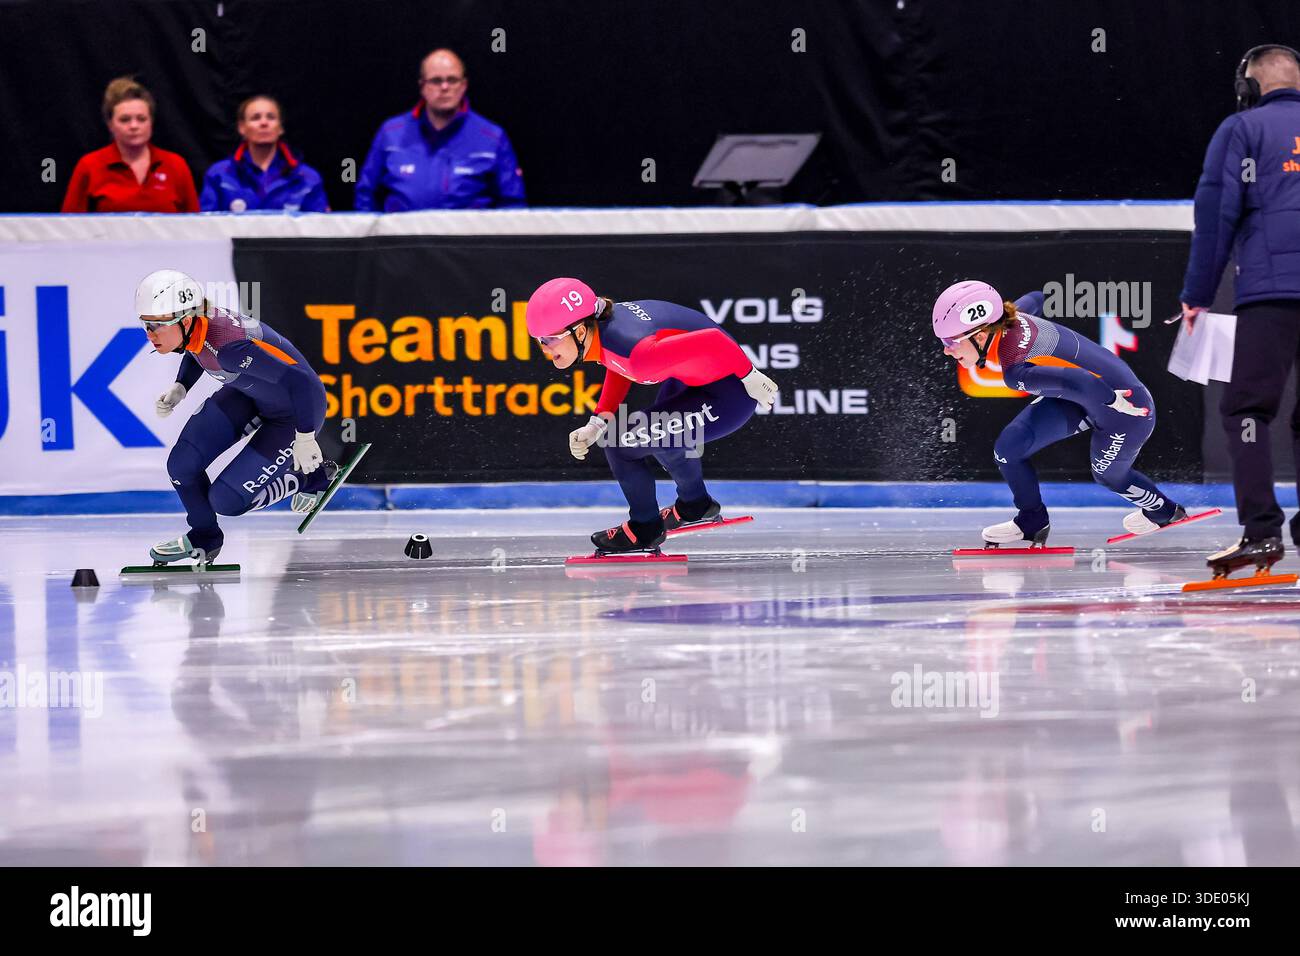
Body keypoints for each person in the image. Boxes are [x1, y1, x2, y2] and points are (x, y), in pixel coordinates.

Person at [526, 277, 778, 555]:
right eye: (539, 341)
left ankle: (645, 529)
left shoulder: (637, 353)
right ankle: (695, 505)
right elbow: (617, 363)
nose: (546, 350)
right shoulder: (606, 330)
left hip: (728, 396)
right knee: (658, 435)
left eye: (550, 339)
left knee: (619, 444)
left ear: (581, 331)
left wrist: (750, 376)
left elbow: (714, 341)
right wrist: (597, 421)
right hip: (695, 379)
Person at [934, 280, 1185, 547]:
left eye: (950, 341)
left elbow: (1083, 382)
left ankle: (1165, 511)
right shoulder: (1010, 317)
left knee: (1108, 475)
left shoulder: (1014, 371)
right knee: (1009, 447)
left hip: (1125, 407)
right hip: (1082, 396)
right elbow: (1035, 296)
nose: (946, 349)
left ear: (981, 336)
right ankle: (1032, 520)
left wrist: (1114, 400)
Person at [1179, 44, 1300, 574]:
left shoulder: (1242, 130)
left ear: (1248, 88)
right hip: (1274, 290)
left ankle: (1261, 534)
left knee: (1247, 411)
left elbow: (1216, 216)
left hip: (1272, 294)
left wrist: (1197, 295)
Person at [136, 269, 333, 564]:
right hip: (251, 394)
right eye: (146, 325)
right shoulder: (196, 323)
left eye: (157, 326)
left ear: (186, 320)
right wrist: (182, 386)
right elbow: (194, 348)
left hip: (295, 410)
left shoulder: (230, 348)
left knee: (226, 501)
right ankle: (204, 536)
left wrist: (304, 437)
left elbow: (301, 382)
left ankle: (311, 477)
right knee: (182, 464)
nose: (150, 335)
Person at [355, 48, 525, 211]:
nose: (444, 87)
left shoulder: (492, 137)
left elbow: (513, 205)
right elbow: (365, 195)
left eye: (452, 80)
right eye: (436, 80)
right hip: (404, 240)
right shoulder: (391, 133)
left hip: (467, 240)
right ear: (422, 86)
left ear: (463, 85)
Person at [62, 76, 199, 213]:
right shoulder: (89, 166)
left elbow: (195, 226)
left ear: (151, 122)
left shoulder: (176, 165)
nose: (134, 126)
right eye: (124, 120)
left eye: (141, 119)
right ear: (110, 124)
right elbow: (71, 227)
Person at [199, 95, 329, 212]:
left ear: (280, 127)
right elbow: (207, 229)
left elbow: (320, 232)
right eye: (255, 118)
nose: (264, 123)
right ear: (241, 127)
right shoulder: (219, 175)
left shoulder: (307, 177)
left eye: (271, 117)